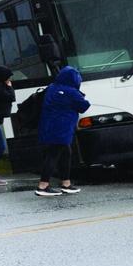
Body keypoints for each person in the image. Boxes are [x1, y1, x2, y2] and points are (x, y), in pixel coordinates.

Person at [35, 66, 89, 197]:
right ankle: (43, 185)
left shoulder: (52, 87)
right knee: (53, 155)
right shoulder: (71, 91)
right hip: (62, 128)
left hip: (49, 126)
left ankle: (66, 183)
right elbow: (84, 106)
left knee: (65, 153)